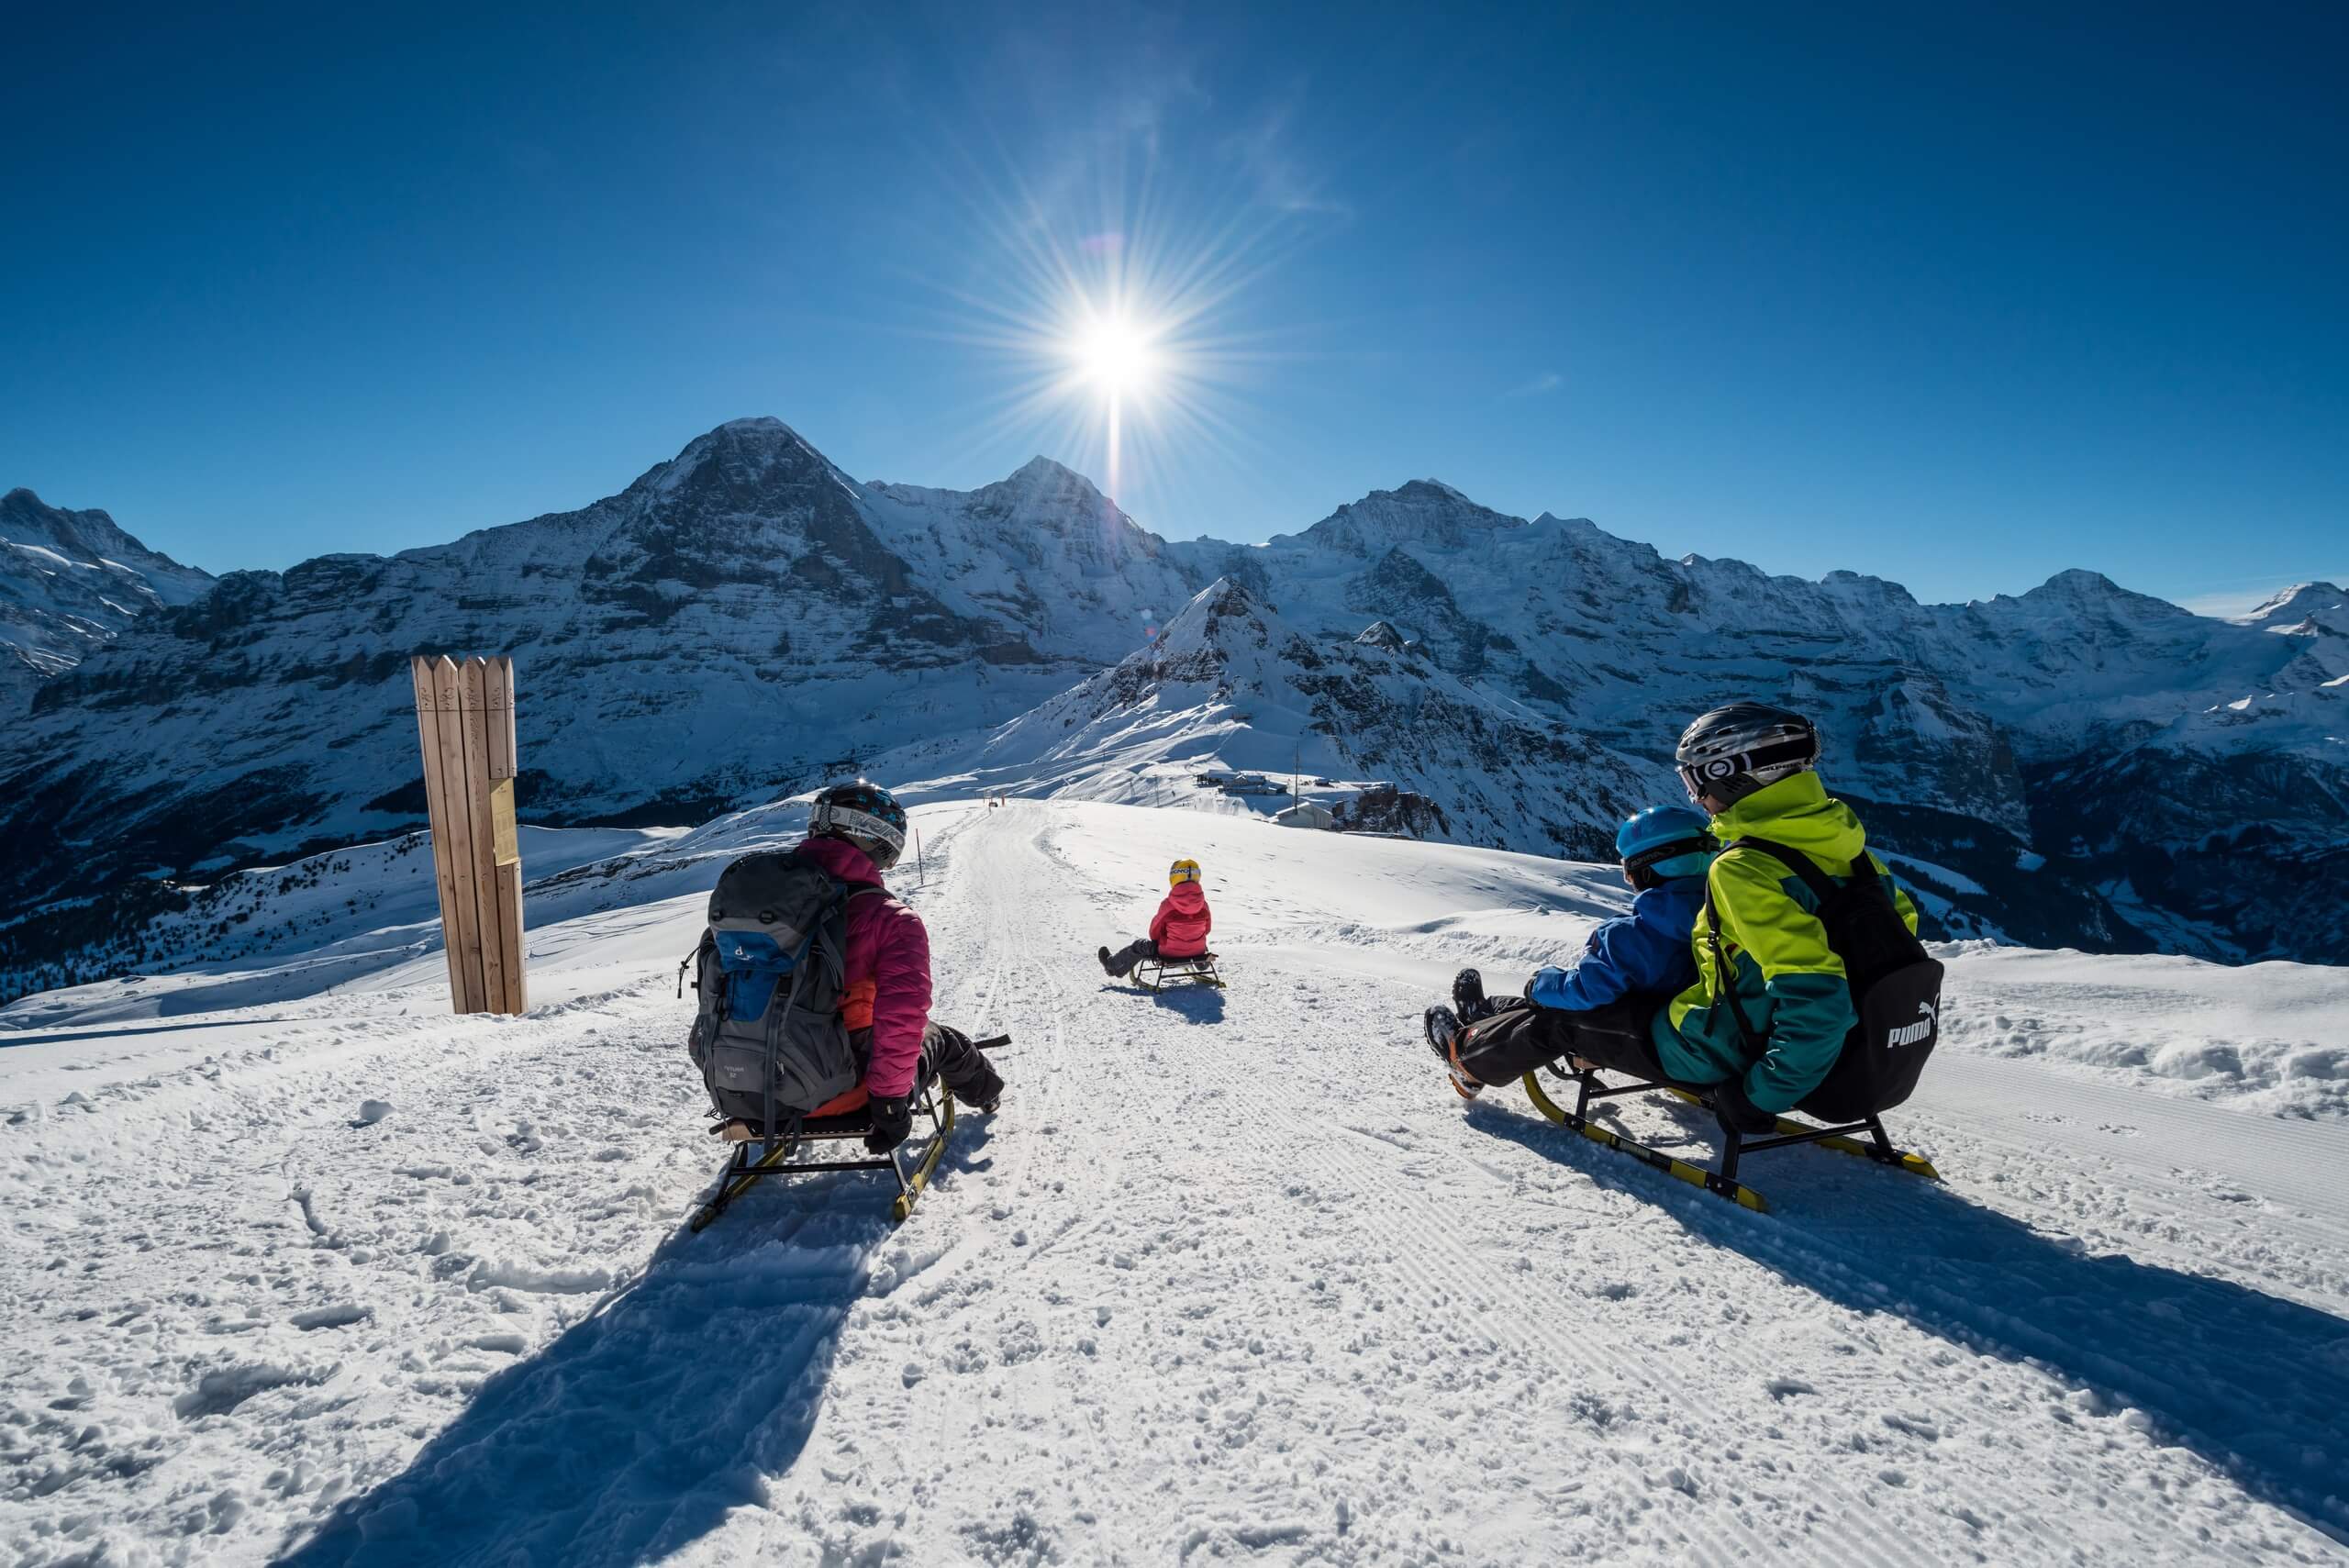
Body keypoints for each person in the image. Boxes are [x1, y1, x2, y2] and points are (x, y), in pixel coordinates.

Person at [1650, 702, 1920, 1139]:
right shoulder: (1849, 850)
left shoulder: (1743, 867)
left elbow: (1820, 1002)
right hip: (1862, 1058)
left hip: (1745, 1054)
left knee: (1616, 1020)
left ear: (1730, 773)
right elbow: (1894, 937)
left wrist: (1759, 1096)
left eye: (1695, 782)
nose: (1697, 799)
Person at [1422, 805, 1717, 1100]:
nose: (1629, 880)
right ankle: (1483, 1013)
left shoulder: (1635, 934)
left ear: (1649, 868)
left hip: (1666, 1043)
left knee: (1556, 1014)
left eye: (1629, 871)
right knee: (1556, 1003)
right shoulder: (1728, 918)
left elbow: (1585, 990)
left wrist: (1539, 984)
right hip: (1705, 1033)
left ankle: (1467, 1059)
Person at [789, 781, 1002, 1153]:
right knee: (942, 1039)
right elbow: (902, 1016)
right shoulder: (890, 920)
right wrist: (889, 1102)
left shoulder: (757, 905)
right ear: (877, 840)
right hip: (845, 1089)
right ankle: (989, 1093)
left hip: (746, 1089)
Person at [1097, 858, 1213, 978]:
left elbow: (1154, 934)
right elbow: (1207, 930)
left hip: (1168, 953)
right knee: (1198, 939)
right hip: (1198, 951)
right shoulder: (1204, 905)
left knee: (1139, 945)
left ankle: (1112, 966)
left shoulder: (1168, 905)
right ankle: (1202, 963)